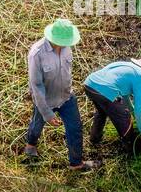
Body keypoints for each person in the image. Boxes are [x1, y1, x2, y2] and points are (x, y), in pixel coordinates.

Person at [24, 19, 98, 172]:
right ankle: (30, 146)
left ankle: (76, 163)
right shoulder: (36, 54)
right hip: (45, 100)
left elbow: (67, 70)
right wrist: (47, 113)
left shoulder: (66, 49)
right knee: (37, 124)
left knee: (75, 127)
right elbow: (36, 85)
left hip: (66, 96)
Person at [84, 52, 141, 156]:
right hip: (105, 91)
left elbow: (125, 96)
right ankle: (132, 150)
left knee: (102, 112)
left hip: (90, 84)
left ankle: (94, 139)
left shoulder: (125, 66)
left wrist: (132, 110)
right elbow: (140, 108)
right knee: (124, 118)